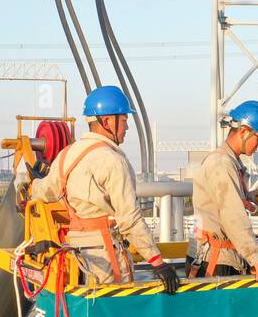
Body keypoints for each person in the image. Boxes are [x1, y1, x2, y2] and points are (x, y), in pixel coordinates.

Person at [30, 85, 178, 292]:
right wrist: (158, 262)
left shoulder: (66, 155)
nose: (126, 127)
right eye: (124, 120)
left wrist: (29, 186)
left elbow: (44, 191)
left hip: (74, 254)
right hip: (106, 258)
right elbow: (130, 220)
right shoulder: (114, 161)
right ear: (107, 121)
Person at [189, 100, 258, 282]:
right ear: (243, 132)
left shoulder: (229, 162)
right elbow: (232, 216)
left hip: (215, 256)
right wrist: (255, 259)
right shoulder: (222, 164)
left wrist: (246, 196)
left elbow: (225, 203)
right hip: (216, 261)